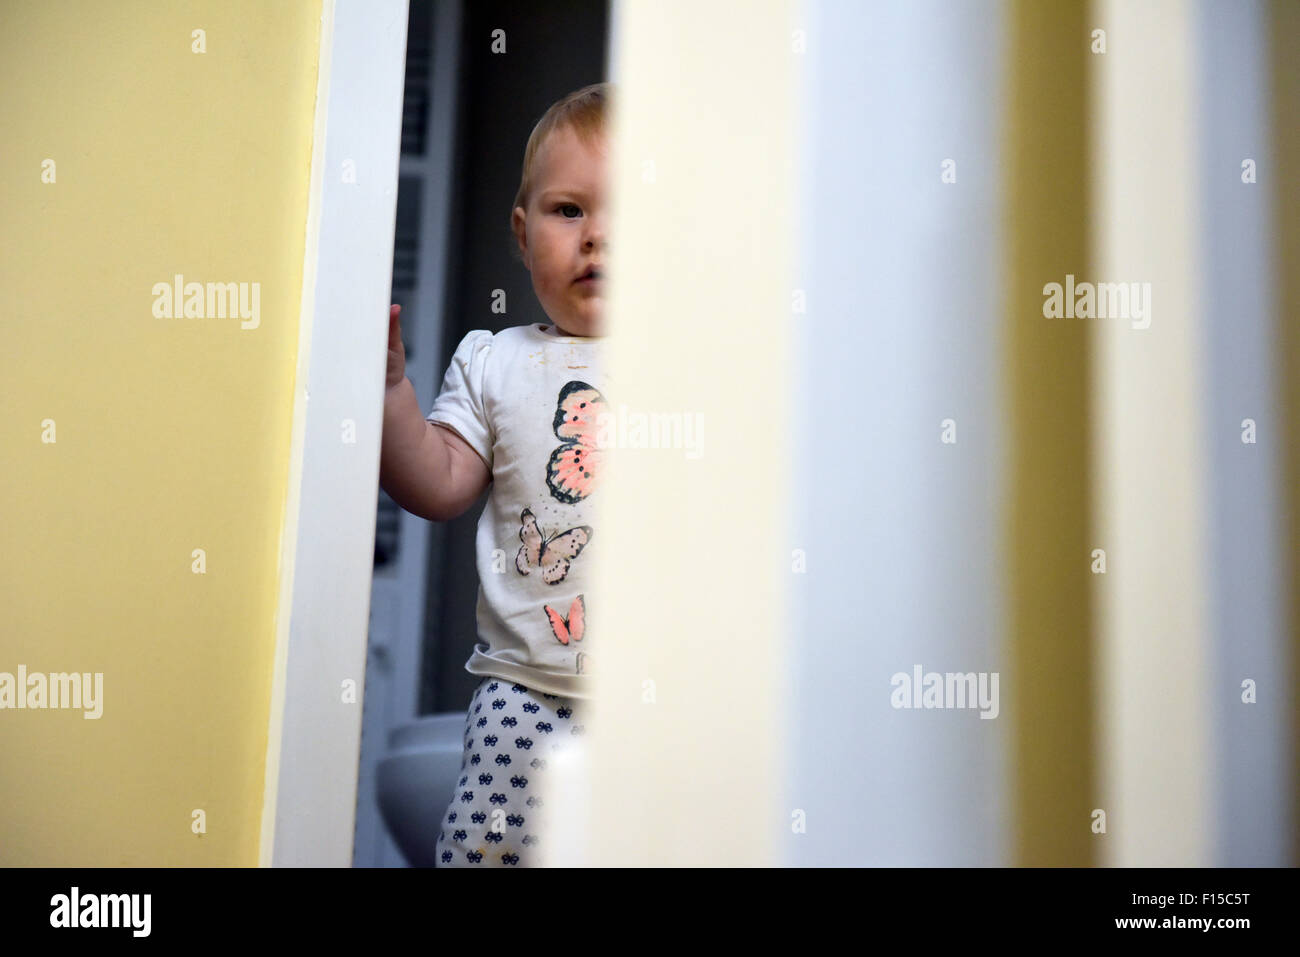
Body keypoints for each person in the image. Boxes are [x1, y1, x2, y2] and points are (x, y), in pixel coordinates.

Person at [379, 82, 612, 866]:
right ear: (522, 231)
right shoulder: (495, 360)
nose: (597, 237)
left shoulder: (689, 360)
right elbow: (438, 481)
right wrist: (390, 397)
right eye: (569, 210)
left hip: (659, 693)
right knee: (487, 850)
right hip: (524, 690)